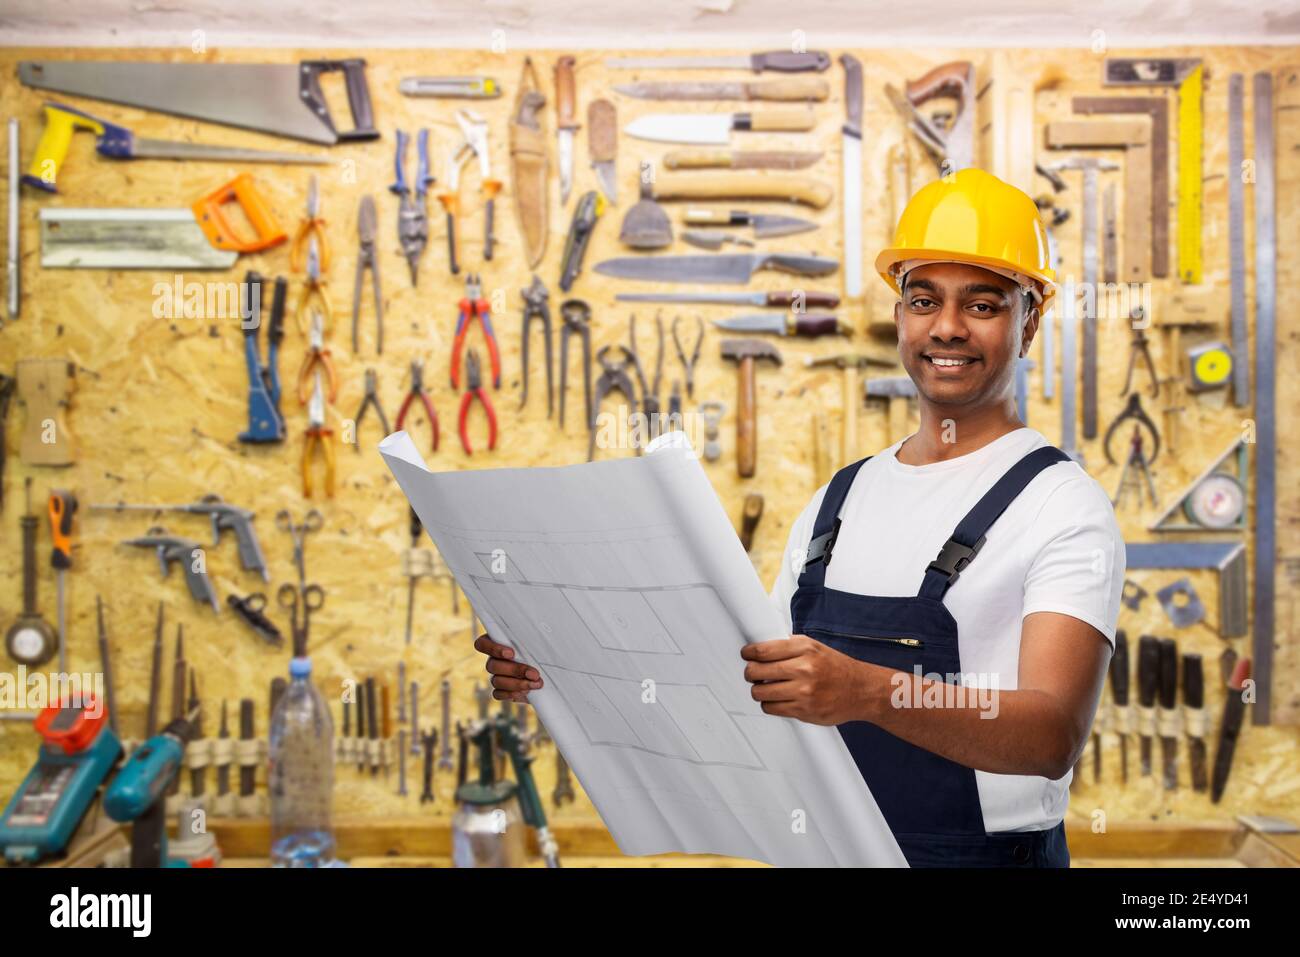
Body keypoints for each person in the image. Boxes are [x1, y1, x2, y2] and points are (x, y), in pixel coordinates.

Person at [475, 168, 1124, 868]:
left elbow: (1051, 733)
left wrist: (869, 692)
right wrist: (562, 672)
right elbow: (752, 700)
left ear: (1030, 321)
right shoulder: (839, 502)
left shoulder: (1061, 503)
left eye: (984, 304)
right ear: (900, 313)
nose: (946, 327)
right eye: (923, 298)